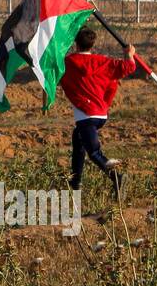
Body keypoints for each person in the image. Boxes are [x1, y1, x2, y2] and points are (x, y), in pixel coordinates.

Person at [59, 26, 142, 198]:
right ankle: (75, 182)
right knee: (78, 141)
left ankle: (117, 178)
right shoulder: (101, 61)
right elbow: (128, 67)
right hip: (101, 114)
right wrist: (129, 54)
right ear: (92, 44)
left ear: (76, 44)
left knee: (94, 153)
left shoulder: (69, 62)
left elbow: (54, 70)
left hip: (86, 117)